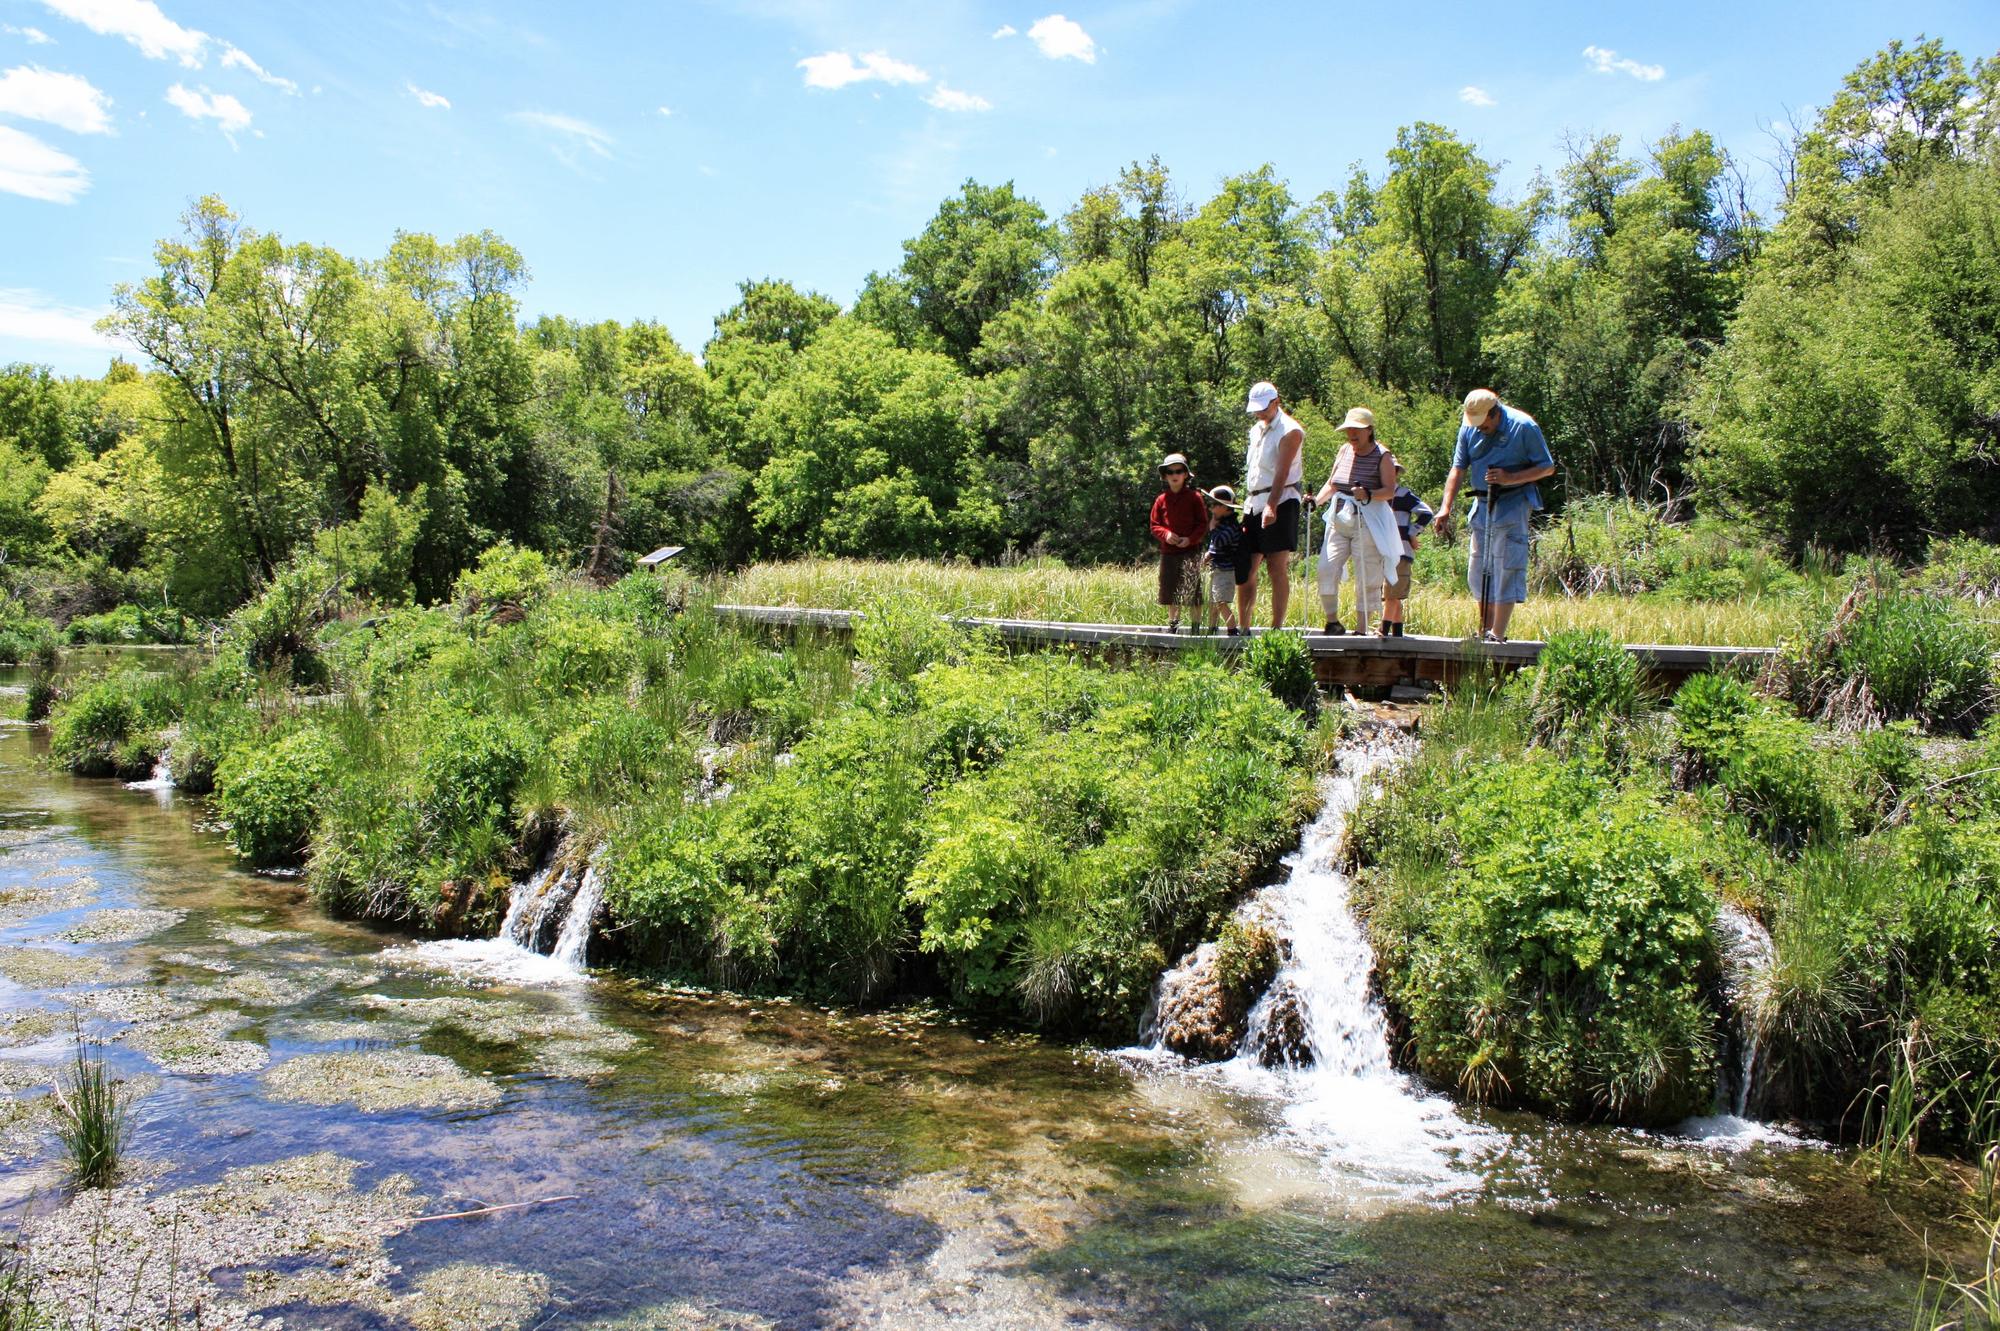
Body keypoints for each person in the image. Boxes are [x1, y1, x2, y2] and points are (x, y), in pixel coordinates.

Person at [1434, 388, 1555, 642]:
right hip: (1481, 505)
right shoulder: (1468, 428)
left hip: (1513, 504)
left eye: (1483, 422)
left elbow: (1547, 467)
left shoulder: (1524, 426)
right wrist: (1446, 507)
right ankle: (1483, 631)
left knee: (1506, 566)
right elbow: (1458, 469)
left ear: (1495, 412)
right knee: (1479, 569)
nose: (1479, 428)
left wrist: (1510, 477)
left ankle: (1498, 634)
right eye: (1474, 423)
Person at [1312, 407, 1402, 636]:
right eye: (1349, 429)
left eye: (1357, 430)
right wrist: (1316, 501)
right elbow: (1333, 484)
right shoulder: (1344, 451)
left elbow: (1390, 491)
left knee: (1367, 574)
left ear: (1369, 430)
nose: (1351, 434)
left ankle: (1362, 629)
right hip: (1340, 518)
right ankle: (1332, 621)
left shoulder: (1384, 455)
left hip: (1368, 519)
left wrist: (1369, 494)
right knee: (1326, 567)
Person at [1237, 381, 1305, 631]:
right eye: (1256, 409)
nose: (1259, 413)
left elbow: (1282, 472)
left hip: (1281, 500)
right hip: (1253, 502)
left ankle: (1276, 628)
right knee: (1245, 566)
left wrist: (1272, 506)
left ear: (1276, 402)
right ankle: (1244, 628)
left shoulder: (1290, 431)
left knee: (1276, 566)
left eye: (1263, 408)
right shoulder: (1256, 429)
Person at [1149, 452, 1209, 633]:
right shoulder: (1161, 500)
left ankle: (1196, 627)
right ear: (1165, 476)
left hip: (1190, 551)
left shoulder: (1195, 497)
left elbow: (1202, 524)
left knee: (1193, 590)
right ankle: (1173, 625)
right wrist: (1166, 535)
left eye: (1179, 471)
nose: (1174, 475)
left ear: (1185, 475)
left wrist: (1190, 539)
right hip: (1169, 553)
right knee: (1171, 589)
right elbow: (1155, 525)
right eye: (1170, 472)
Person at [1381, 482, 1435, 638]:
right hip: (1385, 551)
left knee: (1392, 593)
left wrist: (1412, 533)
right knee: (1390, 593)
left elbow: (1426, 513)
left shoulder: (1403, 494)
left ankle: (1383, 630)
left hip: (1401, 551)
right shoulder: (1377, 494)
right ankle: (1397, 633)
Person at [1200, 485, 1243, 635]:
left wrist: (1212, 528)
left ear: (1225, 508)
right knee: (1213, 602)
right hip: (1217, 569)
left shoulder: (1231, 527)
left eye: (1214, 505)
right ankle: (1212, 629)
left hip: (1226, 570)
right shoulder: (1222, 525)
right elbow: (1215, 548)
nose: (1211, 508)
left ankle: (1232, 629)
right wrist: (1208, 555)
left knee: (1221, 601)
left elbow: (1219, 542)